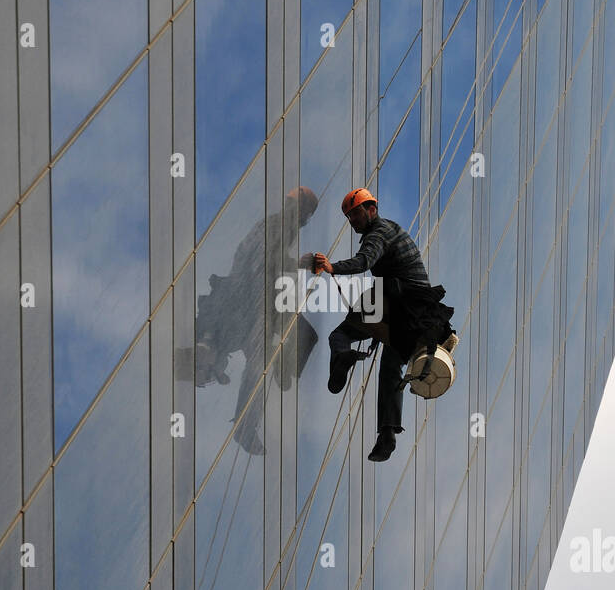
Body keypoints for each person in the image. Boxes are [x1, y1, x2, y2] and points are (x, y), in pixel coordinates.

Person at [306, 187, 455, 462]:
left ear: (372, 209)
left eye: (356, 214)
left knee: (340, 334)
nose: (352, 221)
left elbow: (365, 261)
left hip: (399, 305)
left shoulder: (378, 232)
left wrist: (331, 267)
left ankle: (341, 358)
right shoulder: (391, 229)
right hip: (414, 318)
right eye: (349, 217)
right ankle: (387, 436)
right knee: (389, 368)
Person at [186, 186, 321, 455]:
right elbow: (261, 260)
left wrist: (296, 268)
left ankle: (277, 369)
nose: (302, 218)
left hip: (256, 299)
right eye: (302, 211)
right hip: (253, 298)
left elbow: (268, 259)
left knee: (268, 356)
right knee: (270, 354)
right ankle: (275, 371)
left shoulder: (281, 226)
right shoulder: (279, 224)